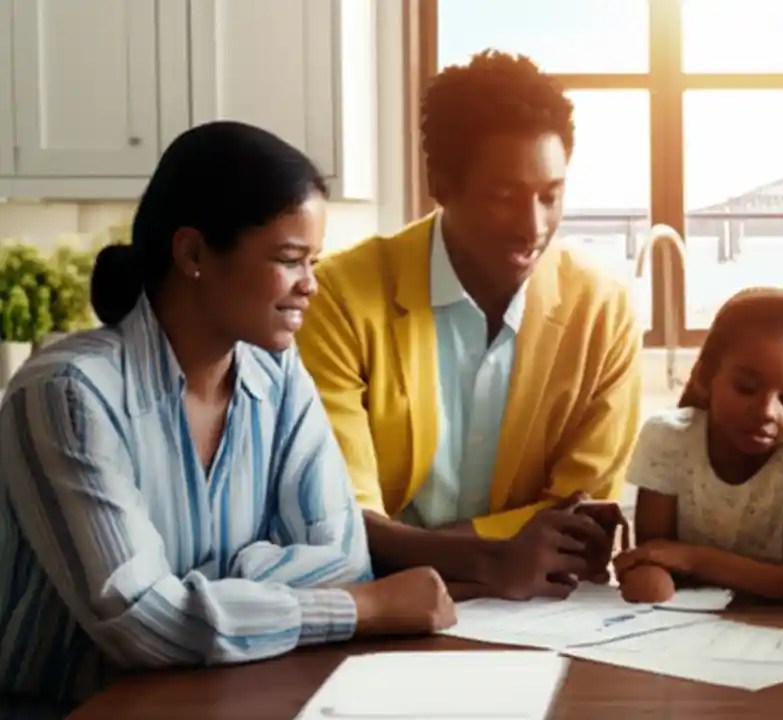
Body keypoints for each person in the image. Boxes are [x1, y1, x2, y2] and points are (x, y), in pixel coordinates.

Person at [0, 122, 454, 708]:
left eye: (314, 261)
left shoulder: (280, 379)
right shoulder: (66, 394)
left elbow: (345, 559)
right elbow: (142, 623)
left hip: (234, 696)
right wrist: (365, 608)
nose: (310, 286)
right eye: (290, 260)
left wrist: (196, 591)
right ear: (193, 253)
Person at [295, 50, 634, 600]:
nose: (533, 227)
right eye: (503, 197)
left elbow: (582, 528)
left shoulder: (603, 311)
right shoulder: (340, 298)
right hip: (375, 610)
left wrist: (409, 545)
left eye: (551, 196)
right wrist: (499, 554)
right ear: (442, 184)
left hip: (539, 616)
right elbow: (338, 523)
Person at [612, 288, 783, 602]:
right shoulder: (668, 437)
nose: (766, 411)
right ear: (706, 379)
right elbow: (654, 564)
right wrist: (775, 579)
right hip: (688, 628)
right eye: (746, 388)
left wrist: (694, 559)